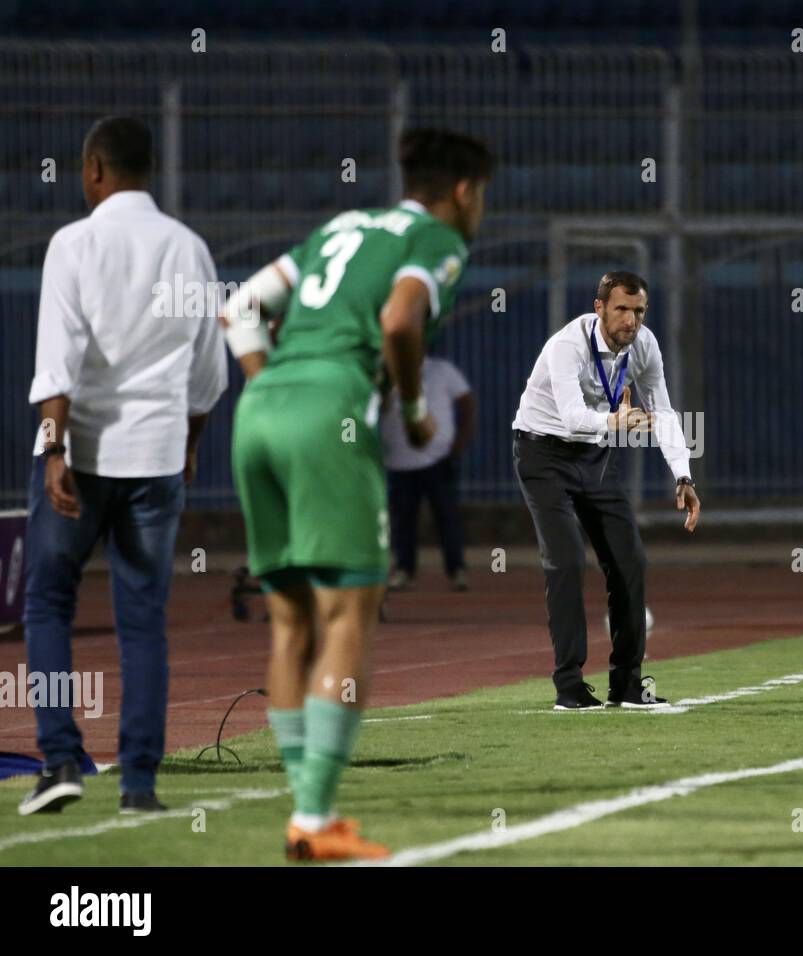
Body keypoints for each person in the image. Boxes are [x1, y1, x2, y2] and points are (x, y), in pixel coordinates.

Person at [221, 128, 492, 860]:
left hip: (260, 409)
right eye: (482, 196)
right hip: (331, 412)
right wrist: (410, 410)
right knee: (349, 613)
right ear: (465, 191)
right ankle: (313, 819)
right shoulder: (439, 239)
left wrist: (272, 385)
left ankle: (304, 806)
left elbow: (237, 308)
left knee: (290, 621)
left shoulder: (339, 226)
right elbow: (400, 320)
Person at [20, 116, 227, 815]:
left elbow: (59, 356)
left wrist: (53, 447)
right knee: (143, 620)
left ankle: (59, 760)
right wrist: (191, 441)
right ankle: (139, 782)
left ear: (93, 170)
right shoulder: (190, 249)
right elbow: (208, 371)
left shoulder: (74, 243)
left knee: (48, 604)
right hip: (157, 456)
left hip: (81, 455)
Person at [512, 271, 701, 712]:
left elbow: (663, 411)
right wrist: (616, 424)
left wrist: (683, 476)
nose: (631, 321)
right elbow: (574, 418)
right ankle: (569, 685)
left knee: (630, 559)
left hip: (594, 456)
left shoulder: (645, 346)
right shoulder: (567, 347)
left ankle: (628, 684)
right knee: (565, 561)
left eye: (639, 311)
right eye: (621, 309)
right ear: (599, 309)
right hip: (543, 455)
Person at [381, 355, 476, 592]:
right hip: (398, 461)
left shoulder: (441, 370)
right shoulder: (383, 374)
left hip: (438, 460)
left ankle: (457, 570)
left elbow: (467, 402)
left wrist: (458, 444)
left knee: (447, 516)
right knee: (402, 520)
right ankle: (404, 570)